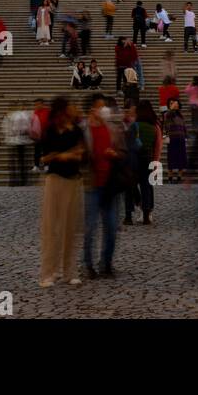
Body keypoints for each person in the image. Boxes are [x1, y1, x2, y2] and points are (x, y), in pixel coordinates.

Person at [38, 96, 85, 287]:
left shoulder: (77, 130)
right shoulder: (50, 131)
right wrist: (61, 155)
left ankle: (69, 271)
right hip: (55, 180)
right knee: (52, 229)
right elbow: (43, 159)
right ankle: (48, 273)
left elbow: (81, 153)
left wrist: (71, 155)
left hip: (73, 181)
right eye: (68, 108)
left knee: (70, 229)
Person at [82, 94, 123, 278]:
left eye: (105, 106)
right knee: (90, 228)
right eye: (100, 106)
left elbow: (123, 152)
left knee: (112, 227)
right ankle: (88, 265)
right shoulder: (83, 130)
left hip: (110, 184)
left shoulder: (112, 129)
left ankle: (106, 263)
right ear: (92, 109)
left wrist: (115, 154)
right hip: (92, 184)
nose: (104, 110)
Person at [3, 106, 34, 186]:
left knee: (15, 162)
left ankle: (14, 180)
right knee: (20, 161)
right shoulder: (20, 116)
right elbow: (27, 127)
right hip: (19, 141)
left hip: (14, 141)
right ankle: (21, 180)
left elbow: (6, 129)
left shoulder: (11, 116)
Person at [164, 98, 187, 184]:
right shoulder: (167, 114)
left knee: (181, 157)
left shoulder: (181, 115)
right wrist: (172, 109)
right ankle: (170, 178)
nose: (173, 104)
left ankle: (179, 177)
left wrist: (185, 135)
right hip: (172, 138)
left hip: (181, 138)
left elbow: (184, 126)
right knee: (171, 158)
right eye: (171, 103)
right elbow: (166, 125)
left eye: (174, 103)